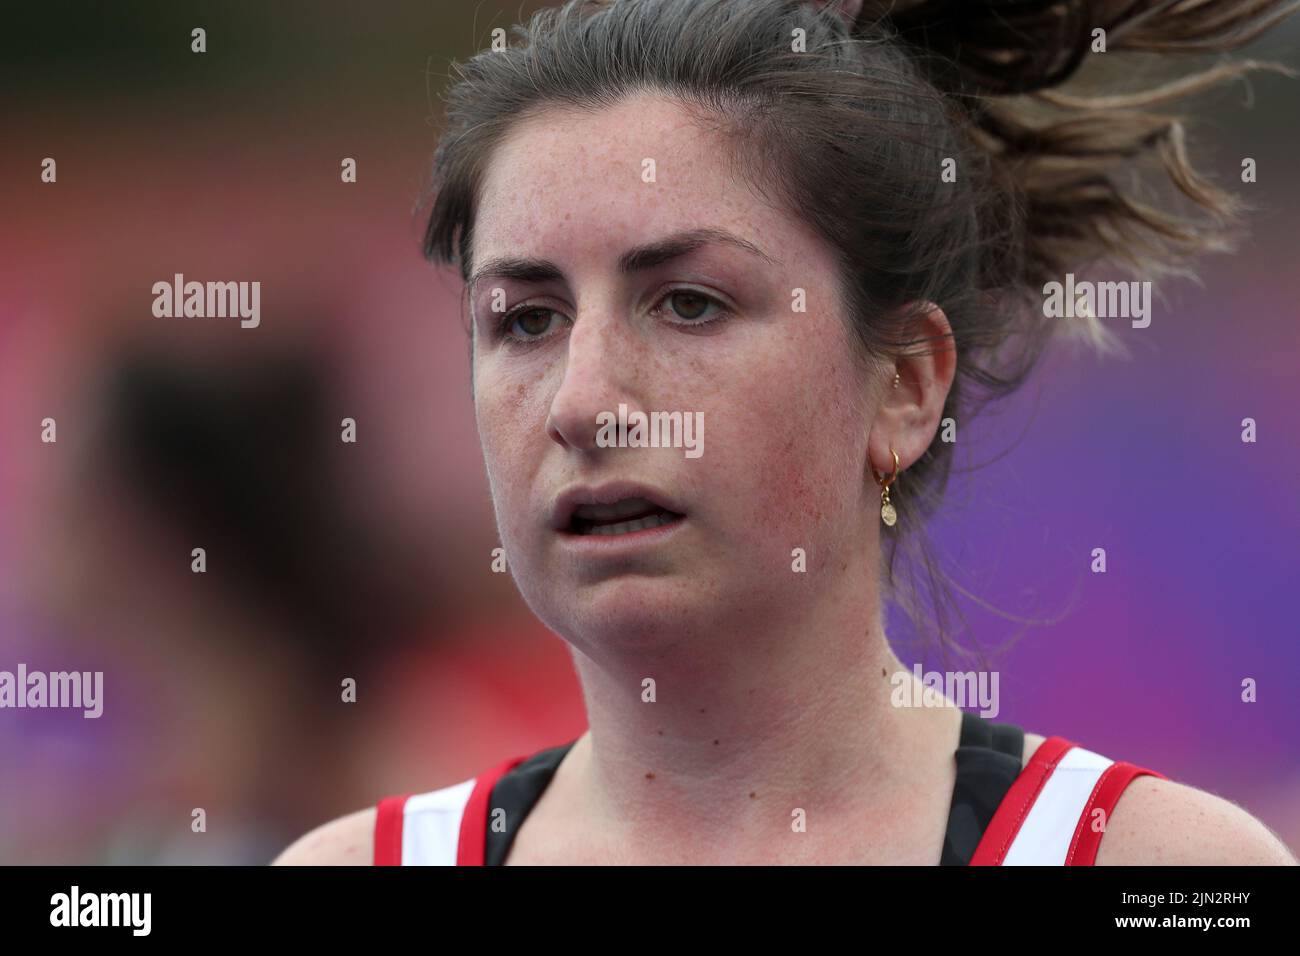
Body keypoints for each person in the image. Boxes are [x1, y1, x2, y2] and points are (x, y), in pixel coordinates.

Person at [275, 0, 1298, 865]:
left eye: (687, 303)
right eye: (525, 319)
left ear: (902, 383)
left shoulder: (1158, 864)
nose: (581, 402)